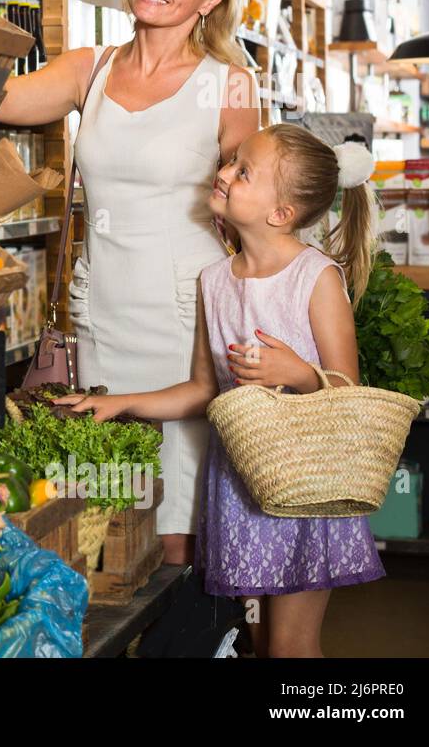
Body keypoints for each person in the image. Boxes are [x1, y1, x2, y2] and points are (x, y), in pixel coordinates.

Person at [0, 0, 260, 564]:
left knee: (173, 524)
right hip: (101, 311)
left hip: (185, 321)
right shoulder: (91, 67)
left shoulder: (226, 85)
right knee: (107, 504)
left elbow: (255, 210)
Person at [55, 125, 381, 657]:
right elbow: (206, 390)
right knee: (253, 637)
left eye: (243, 171)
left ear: (281, 213)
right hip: (237, 488)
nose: (224, 173)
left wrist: (298, 372)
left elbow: (349, 393)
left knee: (290, 648)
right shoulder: (214, 280)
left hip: (304, 491)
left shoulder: (315, 277)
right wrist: (121, 402)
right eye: (231, 162)